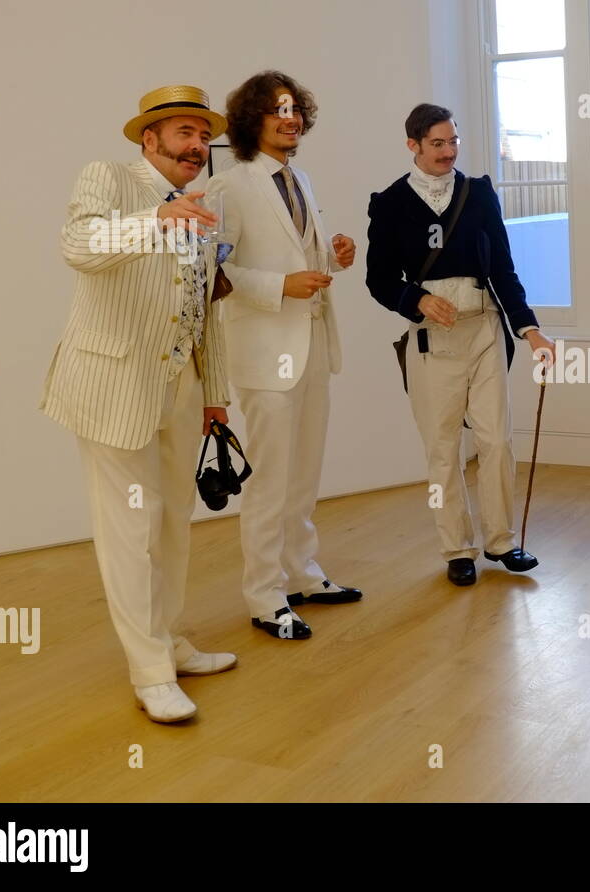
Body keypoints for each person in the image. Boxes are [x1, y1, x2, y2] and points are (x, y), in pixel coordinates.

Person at [40, 85, 236, 723]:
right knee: (129, 531)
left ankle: (170, 641)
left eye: (204, 136)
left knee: (171, 523)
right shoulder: (108, 179)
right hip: (111, 387)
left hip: (180, 386)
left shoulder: (204, 206)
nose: (196, 146)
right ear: (148, 139)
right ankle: (148, 670)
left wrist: (215, 395)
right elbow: (80, 246)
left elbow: (207, 305)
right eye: (184, 133)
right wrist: (157, 217)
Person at [365, 103, 555, 586]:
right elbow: (379, 280)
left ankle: (502, 542)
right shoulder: (388, 204)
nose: (449, 152)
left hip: (485, 330)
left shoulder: (479, 196)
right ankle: (456, 548)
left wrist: (529, 330)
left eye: (454, 143)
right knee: (443, 447)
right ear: (413, 145)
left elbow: (503, 270)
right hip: (432, 339)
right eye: (437, 144)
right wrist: (418, 301)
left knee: (495, 438)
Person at [211, 71, 361, 639]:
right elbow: (216, 270)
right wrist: (279, 286)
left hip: (315, 346)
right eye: (277, 108)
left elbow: (309, 256)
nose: (290, 116)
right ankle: (265, 594)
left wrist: (339, 253)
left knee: (304, 473)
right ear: (254, 119)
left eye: (295, 107)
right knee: (272, 480)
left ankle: (303, 572)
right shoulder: (230, 186)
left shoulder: (303, 180)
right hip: (265, 351)